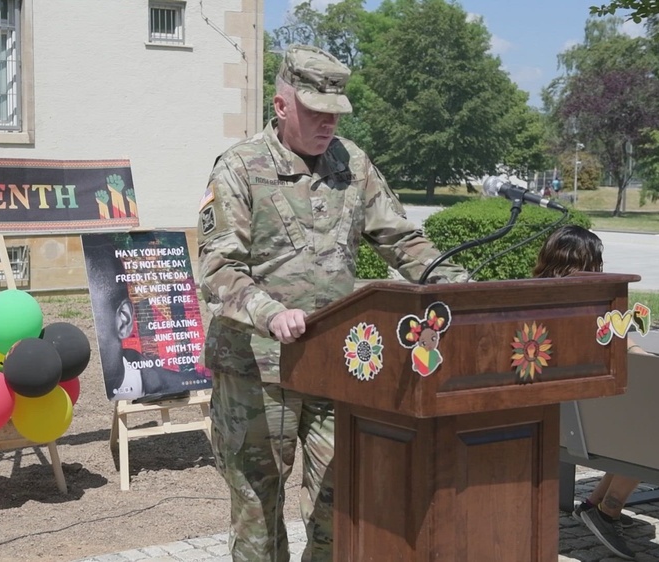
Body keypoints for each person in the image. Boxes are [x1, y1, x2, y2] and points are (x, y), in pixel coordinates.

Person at [196, 44, 466, 562]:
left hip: (339, 365)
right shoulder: (240, 167)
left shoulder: (352, 163)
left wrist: (458, 286)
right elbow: (218, 268)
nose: (327, 125)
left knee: (341, 507)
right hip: (258, 370)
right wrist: (270, 312)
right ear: (281, 105)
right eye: (315, 113)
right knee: (257, 513)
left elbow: (401, 240)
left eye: (334, 115)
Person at [533, 225, 645, 561]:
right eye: (597, 263)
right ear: (587, 265)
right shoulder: (596, 307)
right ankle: (608, 510)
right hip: (584, 427)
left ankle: (595, 504)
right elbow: (632, 348)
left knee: (634, 429)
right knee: (652, 432)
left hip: (554, 421)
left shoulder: (528, 301)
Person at [83, 238, 210, 402]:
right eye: (150, 249)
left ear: (123, 320)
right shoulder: (137, 277)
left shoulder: (173, 278)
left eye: (155, 249)